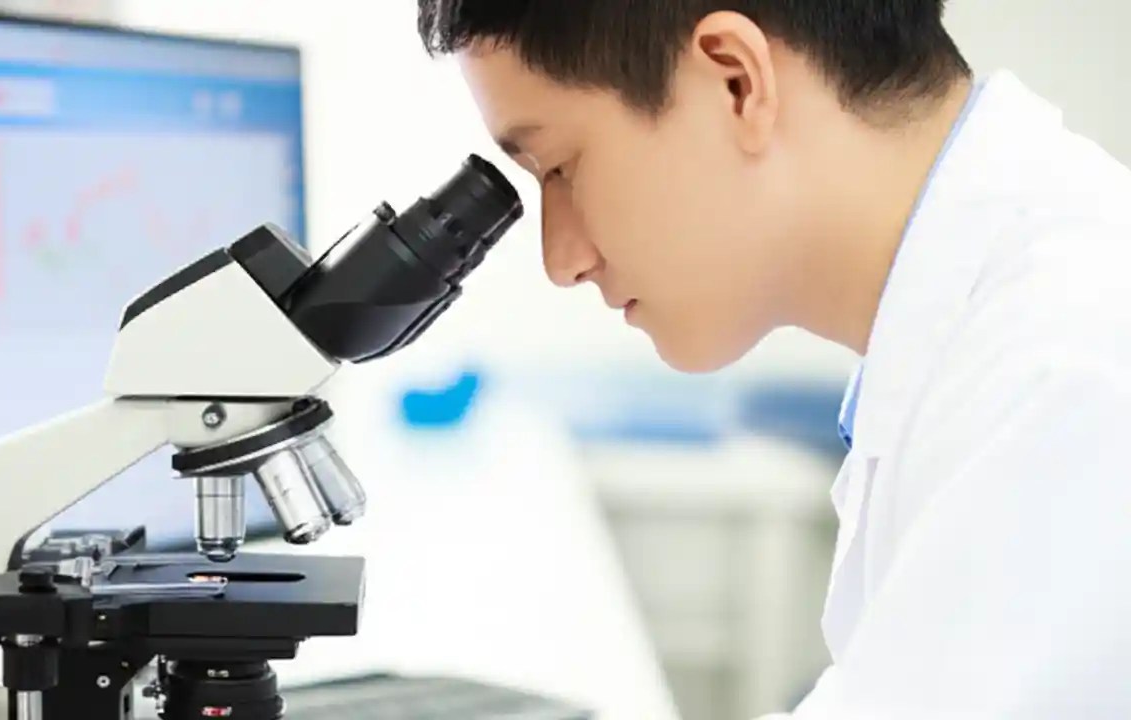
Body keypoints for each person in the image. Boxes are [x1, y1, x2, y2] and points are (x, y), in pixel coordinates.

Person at [415, 1, 1131, 718]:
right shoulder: (995, 322)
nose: (562, 260)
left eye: (562, 168)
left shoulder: (1063, 370)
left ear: (736, 81)